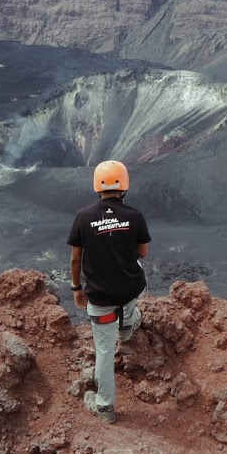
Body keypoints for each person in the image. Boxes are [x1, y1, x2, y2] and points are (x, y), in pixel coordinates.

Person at [66, 160, 150, 424]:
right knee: (130, 297)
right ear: (124, 186)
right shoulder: (135, 216)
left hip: (100, 298)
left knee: (104, 352)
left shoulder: (83, 217)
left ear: (97, 187)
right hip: (130, 289)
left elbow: (75, 259)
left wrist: (77, 288)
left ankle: (105, 407)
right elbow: (143, 253)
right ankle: (127, 326)